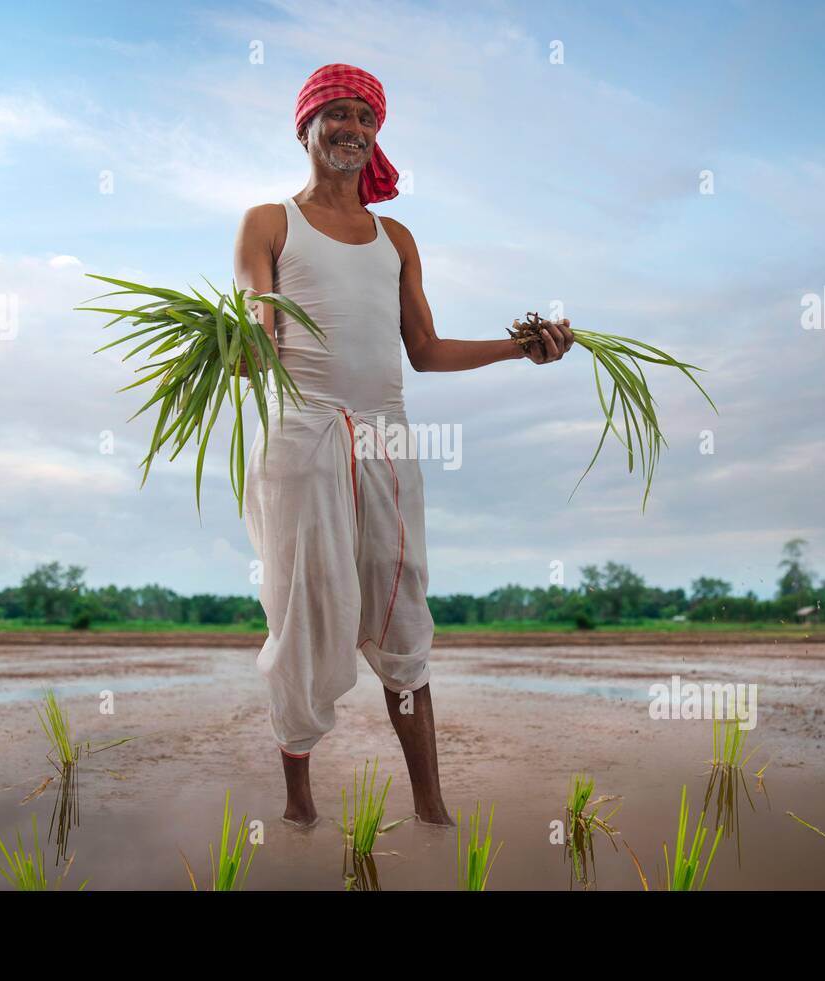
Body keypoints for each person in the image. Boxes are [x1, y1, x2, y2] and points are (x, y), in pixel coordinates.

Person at [233, 63, 573, 827]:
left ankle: (433, 810)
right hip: (302, 440)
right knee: (305, 615)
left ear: (376, 132)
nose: (353, 129)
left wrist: (524, 349)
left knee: (403, 612)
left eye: (366, 118)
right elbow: (260, 330)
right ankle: (298, 807)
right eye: (338, 115)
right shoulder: (268, 222)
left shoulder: (396, 238)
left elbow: (423, 349)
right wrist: (236, 349)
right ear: (306, 126)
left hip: (386, 439)